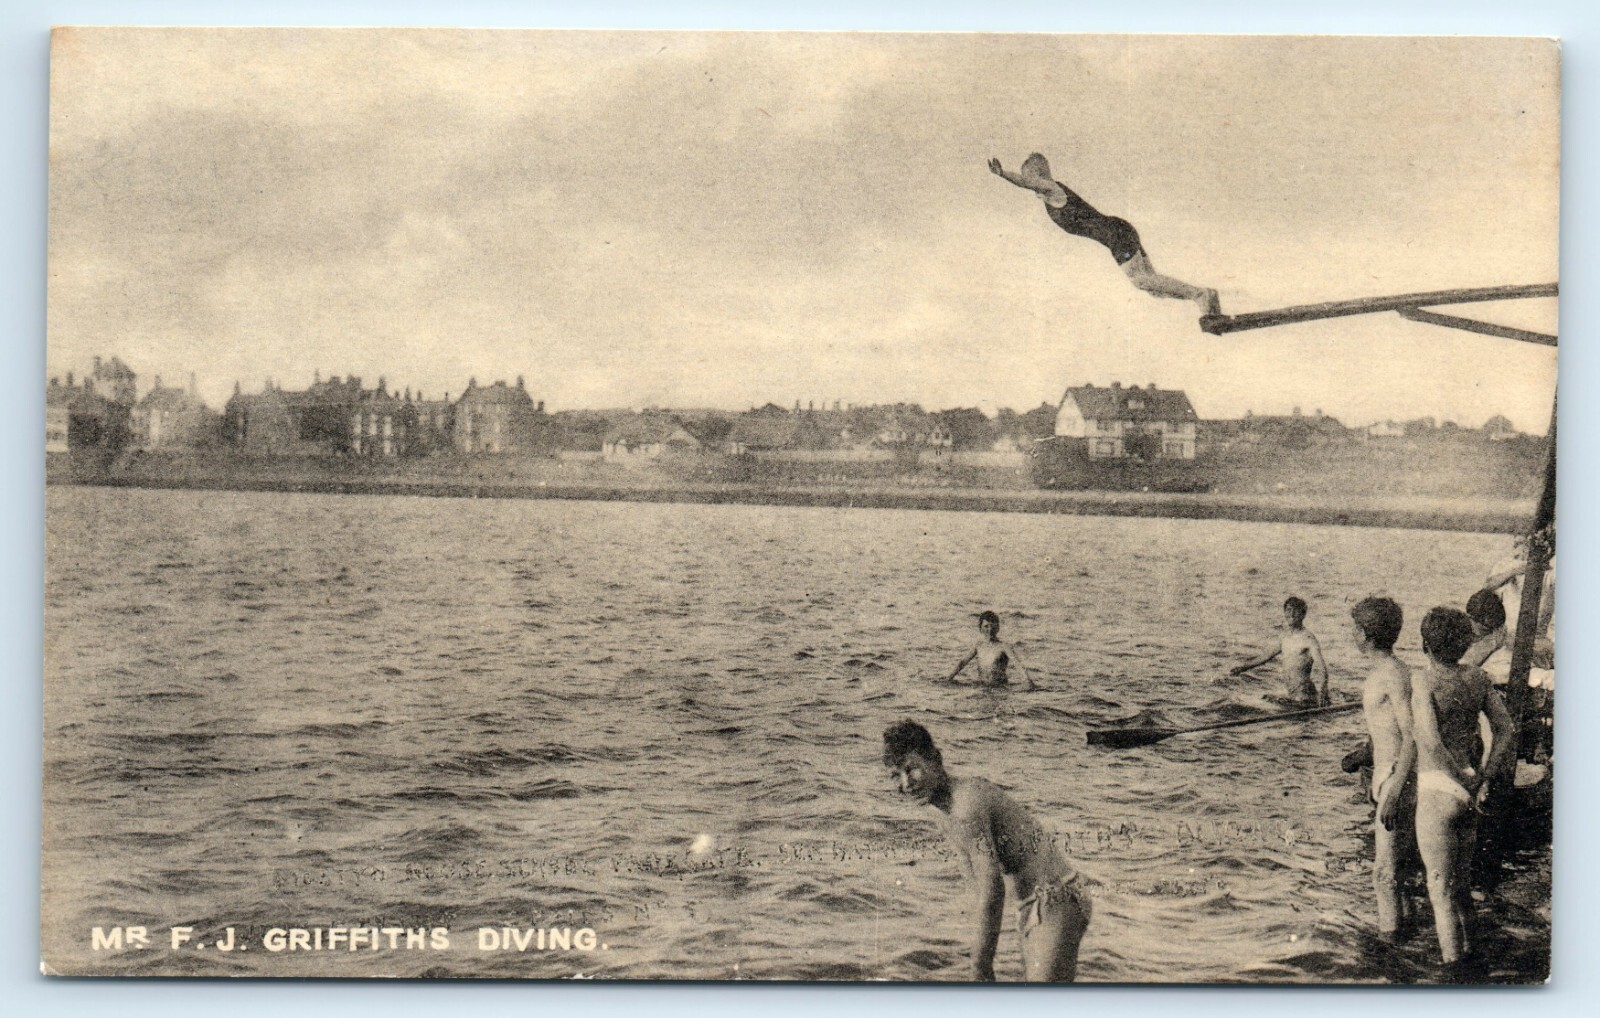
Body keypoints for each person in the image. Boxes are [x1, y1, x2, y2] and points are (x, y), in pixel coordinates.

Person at [882, 720, 1090, 981]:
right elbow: (976, 886)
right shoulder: (940, 807)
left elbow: (992, 890)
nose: (906, 783)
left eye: (912, 769)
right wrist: (976, 950)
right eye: (895, 775)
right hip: (1037, 903)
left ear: (936, 759)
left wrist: (980, 967)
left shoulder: (965, 806)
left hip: (1056, 898)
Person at [1391, 608, 1516, 967]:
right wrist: (1482, 776)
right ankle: (1473, 957)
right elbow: (1506, 729)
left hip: (1438, 789)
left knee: (1439, 891)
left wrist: (1459, 776)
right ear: (1466, 643)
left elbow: (1429, 741)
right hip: (1468, 792)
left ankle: (1453, 973)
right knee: (1461, 889)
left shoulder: (1422, 681)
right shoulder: (1478, 678)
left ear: (1425, 645)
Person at [988, 153, 1221, 317]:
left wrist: (1003, 174)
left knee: (1141, 280)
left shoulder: (1052, 189)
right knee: (1152, 288)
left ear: (1038, 175)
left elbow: (1027, 183)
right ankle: (1204, 300)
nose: (1032, 187)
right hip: (1118, 230)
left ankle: (1200, 294)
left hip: (1115, 233)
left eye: (1031, 179)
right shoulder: (1051, 195)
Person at [1354, 597, 1418, 943]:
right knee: (1398, 869)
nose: (1352, 634)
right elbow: (1385, 729)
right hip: (1389, 774)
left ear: (1366, 634)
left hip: (1397, 777)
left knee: (1385, 873)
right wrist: (1365, 755)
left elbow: (1411, 736)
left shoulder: (1392, 674)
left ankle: (1388, 945)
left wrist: (1392, 790)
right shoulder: (1389, 670)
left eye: (1355, 629)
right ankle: (1405, 938)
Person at [1229, 597, 1331, 707]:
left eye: (1295, 611)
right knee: (1264, 698)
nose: (1291, 614)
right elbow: (1266, 656)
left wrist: (1323, 692)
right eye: (1288, 610)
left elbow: (1322, 669)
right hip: (1293, 695)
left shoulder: (1308, 639)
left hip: (1304, 696)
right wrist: (1243, 668)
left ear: (1303, 614)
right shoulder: (1284, 637)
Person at [946, 611, 1036, 689]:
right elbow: (962, 662)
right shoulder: (978, 646)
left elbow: (1017, 664)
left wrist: (1027, 680)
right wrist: (949, 678)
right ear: (980, 628)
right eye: (986, 626)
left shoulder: (1004, 646)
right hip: (982, 686)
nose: (990, 630)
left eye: (993, 626)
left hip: (1000, 687)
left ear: (998, 628)